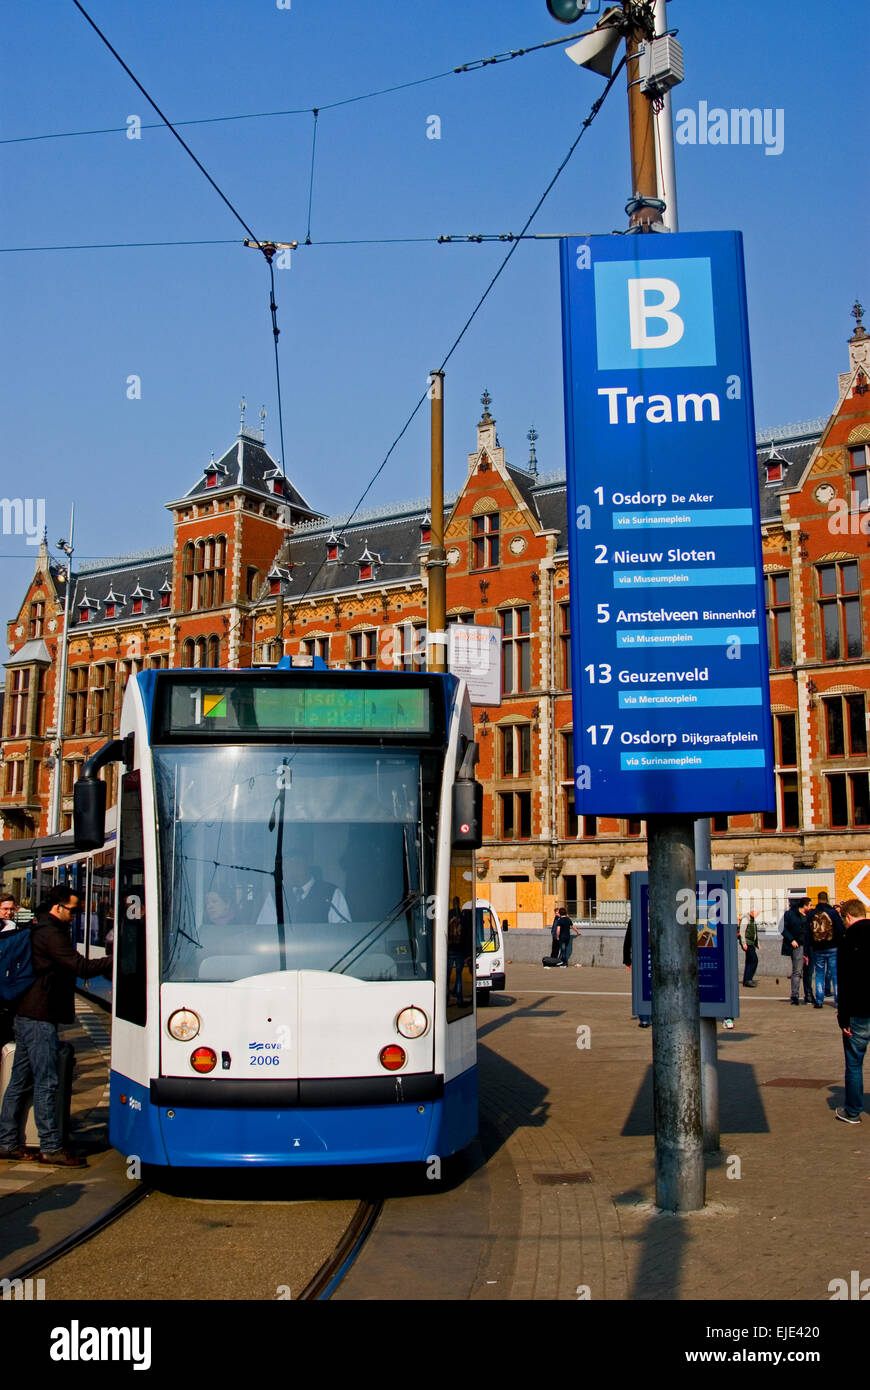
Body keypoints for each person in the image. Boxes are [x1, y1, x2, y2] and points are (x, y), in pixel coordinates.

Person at [0, 885, 113, 1166]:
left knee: (19, 1082)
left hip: (27, 1012)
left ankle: (7, 1142)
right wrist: (117, 960)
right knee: (46, 1082)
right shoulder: (52, 933)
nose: (75, 916)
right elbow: (80, 967)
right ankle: (51, 1146)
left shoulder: (41, 928)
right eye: (73, 910)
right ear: (58, 908)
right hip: (40, 1016)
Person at [834, 898, 870, 1124]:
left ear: (847, 916)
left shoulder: (848, 939)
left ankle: (854, 1111)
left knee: (855, 1063)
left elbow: (844, 982)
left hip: (858, 1010)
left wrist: (843, 1018)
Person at [258, 854, 351, 925]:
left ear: (303, 865)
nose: (284, 870)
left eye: (288, 865)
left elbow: (342, 930)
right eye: (284, 866)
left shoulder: (330, 893)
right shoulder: (276, 896)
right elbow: (265, 930)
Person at [808, 896, 844, 1008]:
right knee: (835, 974)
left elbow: (807, 933)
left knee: (819, 974)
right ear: (827, 899)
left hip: (817, 948)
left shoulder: (811, 913)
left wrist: (807, 950)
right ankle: (838, 1001)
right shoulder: (833, 913)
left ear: (817, 900)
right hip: (833, 947)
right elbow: (840, 929)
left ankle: (819, 1000)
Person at [781, 896, 814, 1005]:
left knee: (808, 971)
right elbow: (783, 928)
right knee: (797, 971)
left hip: (808, 946)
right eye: (810, 905)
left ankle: (808, 994)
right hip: (797, 945)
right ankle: (795, 995)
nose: (811, 907)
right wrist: (791, 940)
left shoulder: (810, 915)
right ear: (804, 906)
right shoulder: (790, 914)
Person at [0, 895, 22, 1046]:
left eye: (11, 909)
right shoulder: (10, 930)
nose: (9, 912)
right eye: (5, 909)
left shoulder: (16, 929)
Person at [623, 920, 650, 1027]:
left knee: (642, 987)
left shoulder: (636, 918)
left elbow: (628, 939)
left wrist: (627, 959)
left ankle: (644, 1018)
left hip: (641, 957)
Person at [447, 898, 467, 1006]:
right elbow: (465, 933)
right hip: (460, 950)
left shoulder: (449, 914)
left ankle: (446, 998)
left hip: (450, 949)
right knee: (459, 974)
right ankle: (459, 998)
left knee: (448, 975)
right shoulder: (462, 915)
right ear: (459, 903)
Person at [739, 910, 759, 987]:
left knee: (749, 961)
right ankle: (748, 979)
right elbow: (742, 932)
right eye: (757, 913)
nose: (757, 915)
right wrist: (744, 943)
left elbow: (755, 933)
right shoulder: (746, 919)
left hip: (751, 943)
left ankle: (747, 980)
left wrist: (757, 944)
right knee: (754, 960)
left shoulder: (752, 920)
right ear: (752, 912)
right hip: (747, 943)